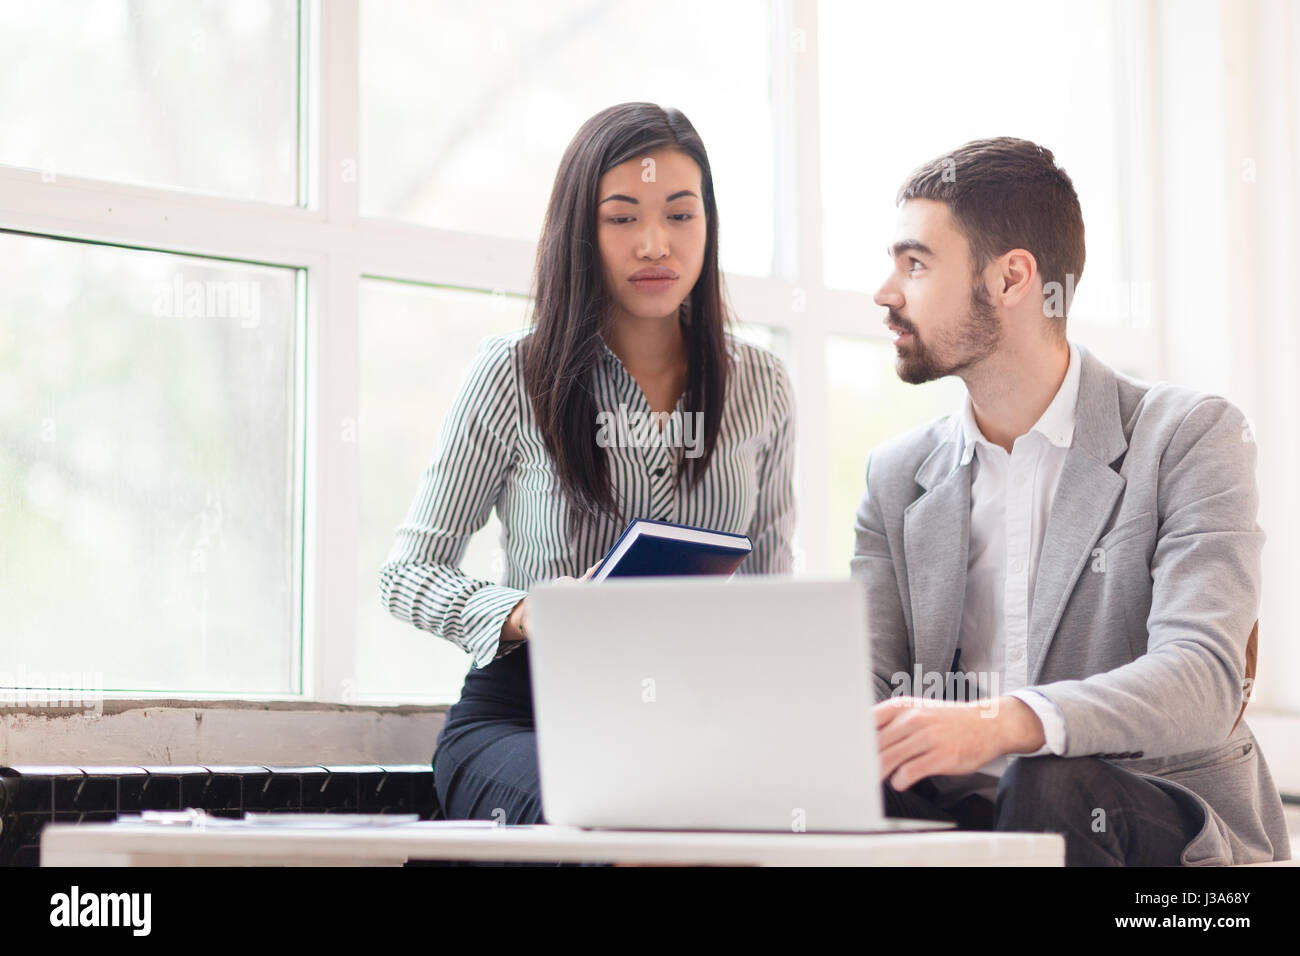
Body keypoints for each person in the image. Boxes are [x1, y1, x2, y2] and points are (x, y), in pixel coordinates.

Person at [856, 136, 1291, 865]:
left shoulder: (1188, 436)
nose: (886, 292)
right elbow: (865, 691)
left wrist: (1005, 723)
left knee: (1046, 783)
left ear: (1012, 278)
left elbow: (1203, 674)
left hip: (1145, 820)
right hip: (967, 822)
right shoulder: (896, 476)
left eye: (915, 264)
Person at [379, 103, 796, 846]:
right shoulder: (513, 372)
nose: (655, 243)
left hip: (686, 724)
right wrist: (525, 613)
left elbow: (770, 600)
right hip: (525, 716)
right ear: (581, 231)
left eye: (680, 214)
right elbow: (407, 573)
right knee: (630, 819)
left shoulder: (761, 384)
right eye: (622, 217)